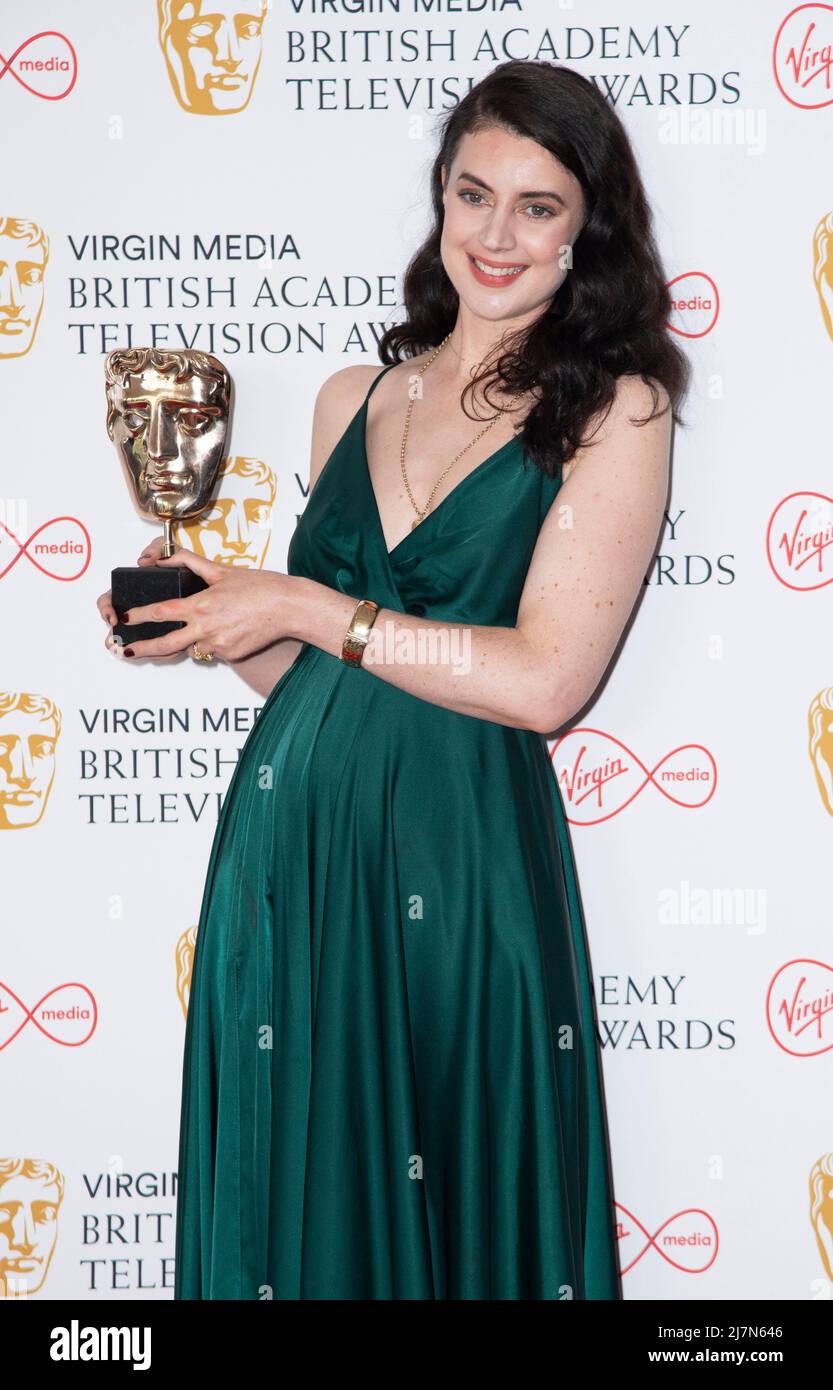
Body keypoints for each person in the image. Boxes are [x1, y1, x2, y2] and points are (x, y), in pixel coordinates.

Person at [97, 58, 689, 1299]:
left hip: (458, 869)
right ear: (438, 199)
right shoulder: (350, 398)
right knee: (295, 1217)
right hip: (291, 859)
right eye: (473, 193)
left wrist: (306, 599)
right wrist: (222, 622)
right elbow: (334, 674)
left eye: (537, 206)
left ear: (588, 231)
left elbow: (541, 682)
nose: (495, 232)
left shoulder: (611, 412)